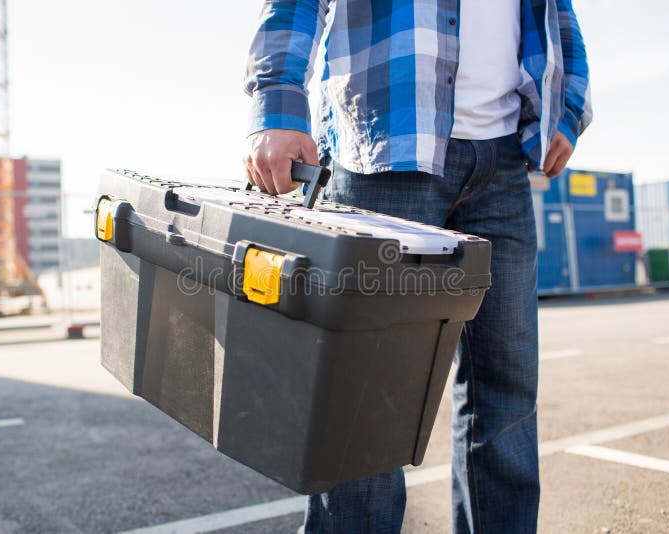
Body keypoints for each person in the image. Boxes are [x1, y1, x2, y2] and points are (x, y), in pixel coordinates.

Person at [243, 0, 591, 532]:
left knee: (507, 395)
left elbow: (556, 11)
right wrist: (276, 104)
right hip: (385, 145)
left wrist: (565, 106)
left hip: (501, 164)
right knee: (367, 401)